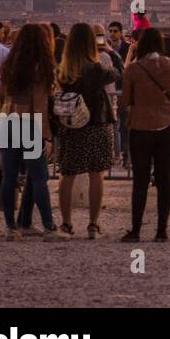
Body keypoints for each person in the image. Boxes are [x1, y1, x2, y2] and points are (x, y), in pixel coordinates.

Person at [0, 25, 65, 240]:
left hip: (8, 124)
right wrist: (46, 136)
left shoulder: (9, 67)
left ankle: (11, 227)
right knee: (38, 178)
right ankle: (49, 227)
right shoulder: (41, 69)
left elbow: (3, 100)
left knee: (9, 178)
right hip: (31, 126)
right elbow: (41, 106)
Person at [55, 22, 116, 238]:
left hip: (72, 124)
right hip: (97, 123)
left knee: (67, 174)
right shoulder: (96, 68)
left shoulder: (63, 69)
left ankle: (66, 224)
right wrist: (109, 50)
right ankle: (93, 224)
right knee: (96, 175)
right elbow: (118, 73)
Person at [121, 27, 170, 242]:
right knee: (164, 179)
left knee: (140, 180)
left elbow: (126, 99)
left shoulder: (134, 69)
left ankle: (136, 229)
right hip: (168, 122)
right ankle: (161, 231)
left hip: (141, 125)